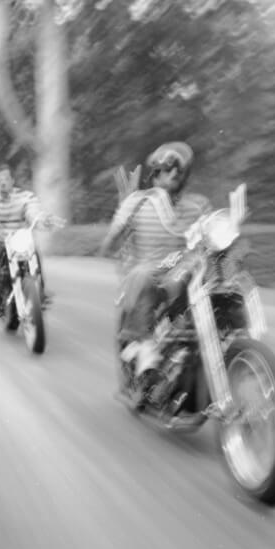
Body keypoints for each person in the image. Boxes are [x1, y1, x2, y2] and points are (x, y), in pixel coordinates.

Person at [100, 141, 212, 377]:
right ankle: (142, 343)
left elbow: (211, 236)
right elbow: (110, 243)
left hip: (184, 272)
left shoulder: (197, 206)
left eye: (178, 169)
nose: (174, 173)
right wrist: (122, 216)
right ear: (155, 173)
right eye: (168, 168)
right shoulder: (137, 201)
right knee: (144, 274)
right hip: (150, 273)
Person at [0, 163, 53, 317]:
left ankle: (39, 291)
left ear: (13, 181)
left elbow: (33, 210)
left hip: (18, 240)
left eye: (7, 179)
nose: (3, 182)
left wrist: (40, 219)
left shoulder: (25, 196)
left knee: (33, 252)